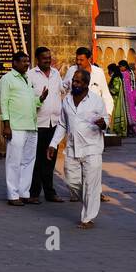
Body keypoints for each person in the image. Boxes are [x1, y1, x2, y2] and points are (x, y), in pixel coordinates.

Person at [48, 67, 107, 228]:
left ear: (86, 84)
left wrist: (103, 124)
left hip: (92, 148)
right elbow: (62, 124)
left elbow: (105, 120)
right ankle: (89, 198)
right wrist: (53, 144)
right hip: (73, 148)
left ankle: (87, 218)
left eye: (78, 81)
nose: (74, 83)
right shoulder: (67, 100)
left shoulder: (96, 100)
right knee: (71, 181)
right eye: (73, 80)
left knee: (91, 185)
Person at [0, 51, 40, 206]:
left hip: (31, 125)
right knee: (14, 161)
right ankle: (13, 195)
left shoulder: (27, 79)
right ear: (14, 63)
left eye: (27, 61)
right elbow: (3, 102)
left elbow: (30, 101)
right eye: (23, 61)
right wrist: (6, 125)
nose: (26, 64)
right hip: (15, 126)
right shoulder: (7, 79)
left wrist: (40, 99)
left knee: (28, 161)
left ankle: (24, 192)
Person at [27, 48, 64, 201]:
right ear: (37, 59)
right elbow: (28, 98)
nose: (47, 60)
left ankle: (50, 192)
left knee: (50, 159)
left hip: (54, 122)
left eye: (49, 58)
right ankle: (34, 193)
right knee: (36, 160)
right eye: (44, 58)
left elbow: (61, 91)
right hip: (38, 123)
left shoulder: (56, 74)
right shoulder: (30, 75)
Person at [66, 47, 114, 119]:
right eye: (77, 59)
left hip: (94, 117)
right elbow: (63, 89)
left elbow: (106, 95)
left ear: (89, 59)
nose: (78, 62)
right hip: (75, 115)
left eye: (81, 60)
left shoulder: (98, 72)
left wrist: (108, 115)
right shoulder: (71, 71)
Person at [110, 59, 136, 139]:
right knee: (131, 112)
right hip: (132, 94)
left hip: (127, 96)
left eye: (120, 66)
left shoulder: (124, 74)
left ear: (124, 66)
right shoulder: (131, 72)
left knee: (127, 113)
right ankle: (133, 130)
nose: (120, 68)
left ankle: (131, 130)